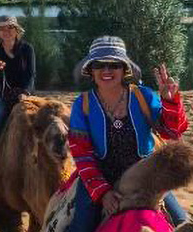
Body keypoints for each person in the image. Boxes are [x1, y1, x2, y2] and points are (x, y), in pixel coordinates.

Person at [68, 36, 188, 231]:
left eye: (114, 65)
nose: (106, 70)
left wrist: (170, 101)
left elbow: (172, 132)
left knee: (181, 222)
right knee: (81, 227)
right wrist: (102, 193)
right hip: (100, 174)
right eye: (99, 65)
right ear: (91, 70)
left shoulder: (144, 96)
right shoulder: (82, 104)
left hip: (146, 175)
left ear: (124, 69)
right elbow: (81, 154)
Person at [0, 15, 35, 184]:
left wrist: (25, 92)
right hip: (3, 94)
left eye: (10, 27)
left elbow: (31, 75)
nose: (6, 31)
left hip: (25, 94)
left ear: (16, 30)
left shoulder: (27, 49)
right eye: (2, 28)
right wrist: (0, 71)